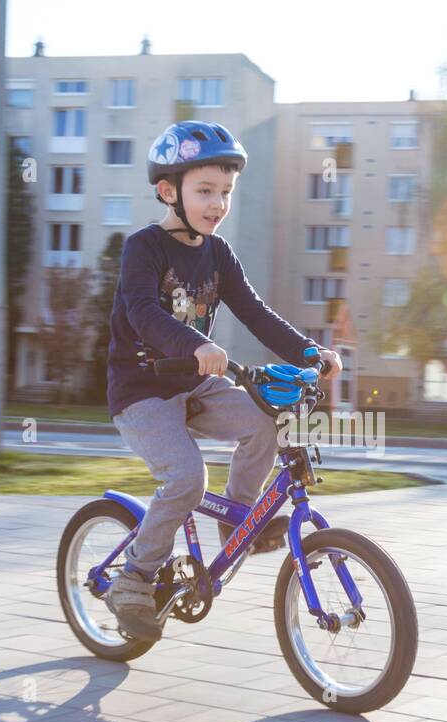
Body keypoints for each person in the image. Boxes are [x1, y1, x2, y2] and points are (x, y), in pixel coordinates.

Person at [105, 120, 342, 642]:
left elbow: (254, 312)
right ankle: (133, 580)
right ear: (169, 191)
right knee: (188, 480)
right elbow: (143, 312)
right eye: (205, 191)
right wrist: (196, 345)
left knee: (269, 422)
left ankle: (239, 525)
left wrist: (310, 351)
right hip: (142, 391)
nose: (217, 204)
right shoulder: (143, 248)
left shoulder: (218, 254)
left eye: (225, 193)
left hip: (195, 384)